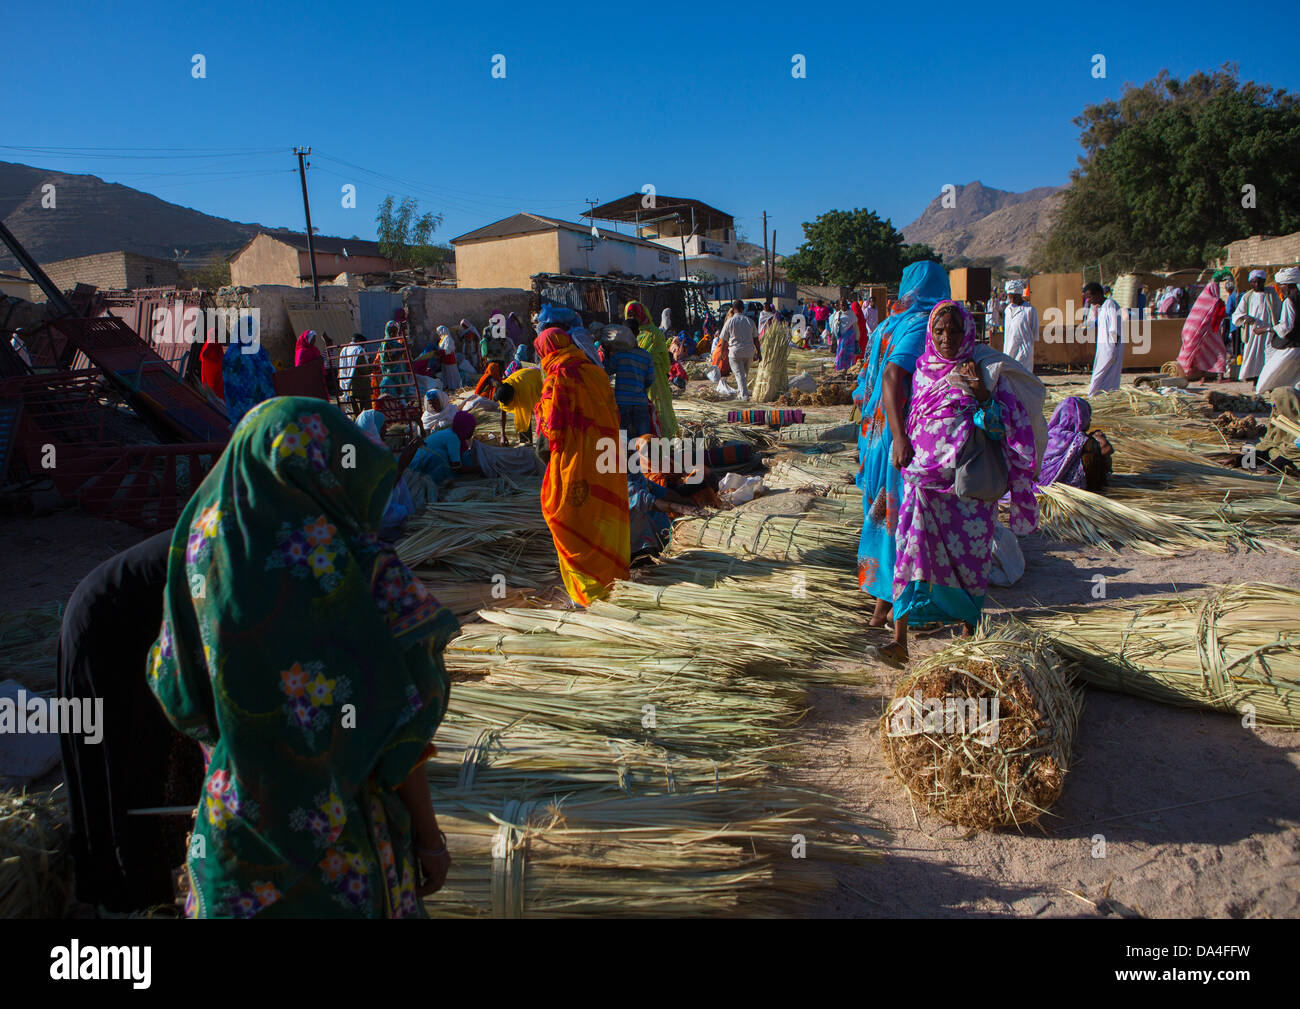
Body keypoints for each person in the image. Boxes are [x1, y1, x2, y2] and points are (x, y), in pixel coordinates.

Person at [148, 397, 458, 917]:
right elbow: (400, 725)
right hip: (344, 855)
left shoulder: (202, 559)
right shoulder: (360, 569)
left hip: (235, 851)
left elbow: (176, 691)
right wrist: (430, 841)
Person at [872, 301, 1038, 665]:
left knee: (969, 562)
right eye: (940, 331)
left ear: (968, 333)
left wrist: (980, 394)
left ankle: (969, 632)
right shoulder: (922, 372)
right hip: (922, 481)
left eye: (955, 330)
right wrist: (900, 440)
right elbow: (909, 414)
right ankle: (900, 641)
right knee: (909, 553)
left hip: (967, 487)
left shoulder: (984, 372)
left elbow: (1002, 427)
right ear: (931, 334)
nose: (947, 338)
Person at [57, 531, 205, 913]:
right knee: (121, 780)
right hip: (109, 632)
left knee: (161, 773)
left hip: (148, 635)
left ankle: (148, 890)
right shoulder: (249, 538)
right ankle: (130, 906)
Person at [854, 260, 951, 632]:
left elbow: (865, 383)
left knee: (885, 519)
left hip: (876, 435)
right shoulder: (919, 324)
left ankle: (883, 605)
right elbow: (894, 375)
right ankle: (892, 609)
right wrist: (900, 438)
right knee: (899, 523)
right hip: (898, 439)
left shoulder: (887, 323)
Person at [534, 325, 630, 606]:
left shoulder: (559, 375)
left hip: (578, 461)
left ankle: (589, 592)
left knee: (570, 517)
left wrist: (538, 410)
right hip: (608, 457)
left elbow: (553, 428)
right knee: (604, 514)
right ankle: (612, 579)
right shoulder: (595, 371)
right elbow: (614, 412)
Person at [1037, 396, 1114, 492]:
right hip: (1061, 486)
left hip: (1037, 483)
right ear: (1080, 417)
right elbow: (1107, 449)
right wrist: (1099, 437)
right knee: (1092, 454)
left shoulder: (1048, 433)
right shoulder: (1077, 439)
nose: (1090, 420)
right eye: (1087, 416)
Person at [602, 323, 655, 438]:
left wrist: (606, 354)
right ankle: (644, 456)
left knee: (624, 436)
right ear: (637, 335)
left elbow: (607, 370)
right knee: (644, 436)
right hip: (640, 401)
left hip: (622, 402)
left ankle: (626, 456)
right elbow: (650, 380)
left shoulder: (619, 355)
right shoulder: (646, 356)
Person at [1255, 266, 1300, 393]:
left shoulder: (1289, 301)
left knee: (1267, 379)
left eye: (1280, 285)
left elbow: (1286, 327)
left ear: (1287, 285)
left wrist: (1267, 329)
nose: (1279, 288)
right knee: (1294, 381)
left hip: (1290, 348)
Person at [1233, 270, 1282, 383]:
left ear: (1263, 281)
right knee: (1253, 356)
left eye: (1259, 282)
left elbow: (1278, 310)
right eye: (1254, 282)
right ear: (1250, 283)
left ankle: (1266, 379)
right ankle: (1255, 378)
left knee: (1268, 356)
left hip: (1268, 331)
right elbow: (1237, 314)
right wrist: (1245, 317)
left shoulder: (1271, 293)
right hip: (1253, 332)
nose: (1256, 285)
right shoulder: (1247, 296)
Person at [221, 327, 276, 427]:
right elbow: (269, 369)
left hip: (245, 398)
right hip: (253, 396)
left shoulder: (232, 352)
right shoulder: (254, 350)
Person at [1175, 282, 1227, 381]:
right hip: (1209, 331)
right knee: (1220, 352)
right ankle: (1219, 376)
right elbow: (1215, 317)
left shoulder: (1202, 301)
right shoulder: (1215, 301)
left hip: (1198, 331)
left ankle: (1204, 376)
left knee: (1201, 353)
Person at [1083, 281, 1124, 396]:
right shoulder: (1102, 307)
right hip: (1104, 348)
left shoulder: (1110, 304)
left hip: (1110, 348)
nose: (1089, 301)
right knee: (1101, 374)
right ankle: (1101, 396)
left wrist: (1113, 349)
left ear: (1098, 294)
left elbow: (1114, 328)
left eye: (1090, 297)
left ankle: (1094, 396)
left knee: (1100, 375)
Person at [495, 362, 544, 444]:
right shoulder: (503, 389)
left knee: (528, 417)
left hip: (537, 379)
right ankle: (526, 442)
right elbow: (502, 411)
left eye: (508, 402)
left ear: (513, 397)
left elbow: (535, 415)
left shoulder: (524, 393)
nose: (506, 405)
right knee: (522, 417)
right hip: (525, 377)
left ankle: (531, 442)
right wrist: (502, 434)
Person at [719, 298, 758, 399]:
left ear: (733, 308)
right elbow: (756, 339)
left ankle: (744, 397)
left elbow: (723, 339)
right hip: (749, 352)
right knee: (744, 375)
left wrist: (721, 353)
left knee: (740, 376)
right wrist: (758, 352)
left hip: (735, 352)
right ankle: (741, 394)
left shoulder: (730, 322)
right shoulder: (750, 321)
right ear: (743, 308)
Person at [1002, 280, 1038, 371]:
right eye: (1010, 296)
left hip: (1024, 350)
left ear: (1020, 295)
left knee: (1023, 375)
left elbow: (1035, 331)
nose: (1012, 299)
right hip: (1009, 348)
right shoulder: (1007, 310)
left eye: (1015, 296)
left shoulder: (1029, 310)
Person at [339, 333, 367, 409]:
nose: (364, 346)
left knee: (353, 407)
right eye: (363, 343)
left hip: (348, 385)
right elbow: (364, 369)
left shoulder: (345, 349)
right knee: (363, 407)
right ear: (358, 341)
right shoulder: (358, 350)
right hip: (360, 384)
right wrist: (371, 367)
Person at [831, 299, 860, 371]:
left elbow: (855, 327)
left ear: (847, 305)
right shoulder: (837, 314)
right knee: (841, 353)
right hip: (841, 338)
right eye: (842, 305)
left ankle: (849, 369)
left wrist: (857, 338)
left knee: (849, 355)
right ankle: (840, 369)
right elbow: (833, 326)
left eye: (845, 305)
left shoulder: (851, 314)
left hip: (850, 339)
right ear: (840, 306)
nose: (843, 307)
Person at [199, 329, 225, 400]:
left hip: (212, 369)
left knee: (212, 387)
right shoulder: (211, 343)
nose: (216, 336)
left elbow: (203, 356)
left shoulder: (210, 342)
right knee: (214, 387)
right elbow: (204, 355)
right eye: (215, 334)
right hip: (212, 369)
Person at [435, 325, 462, 392]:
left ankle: (454, 386)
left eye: (439, 331)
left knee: (451, 373)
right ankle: (448, 385)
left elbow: (448, 349)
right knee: (446, 373)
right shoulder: (442, 339)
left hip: (449, 358)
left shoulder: (448, 338)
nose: (438, 333)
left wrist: (441, 352)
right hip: (444, 359)